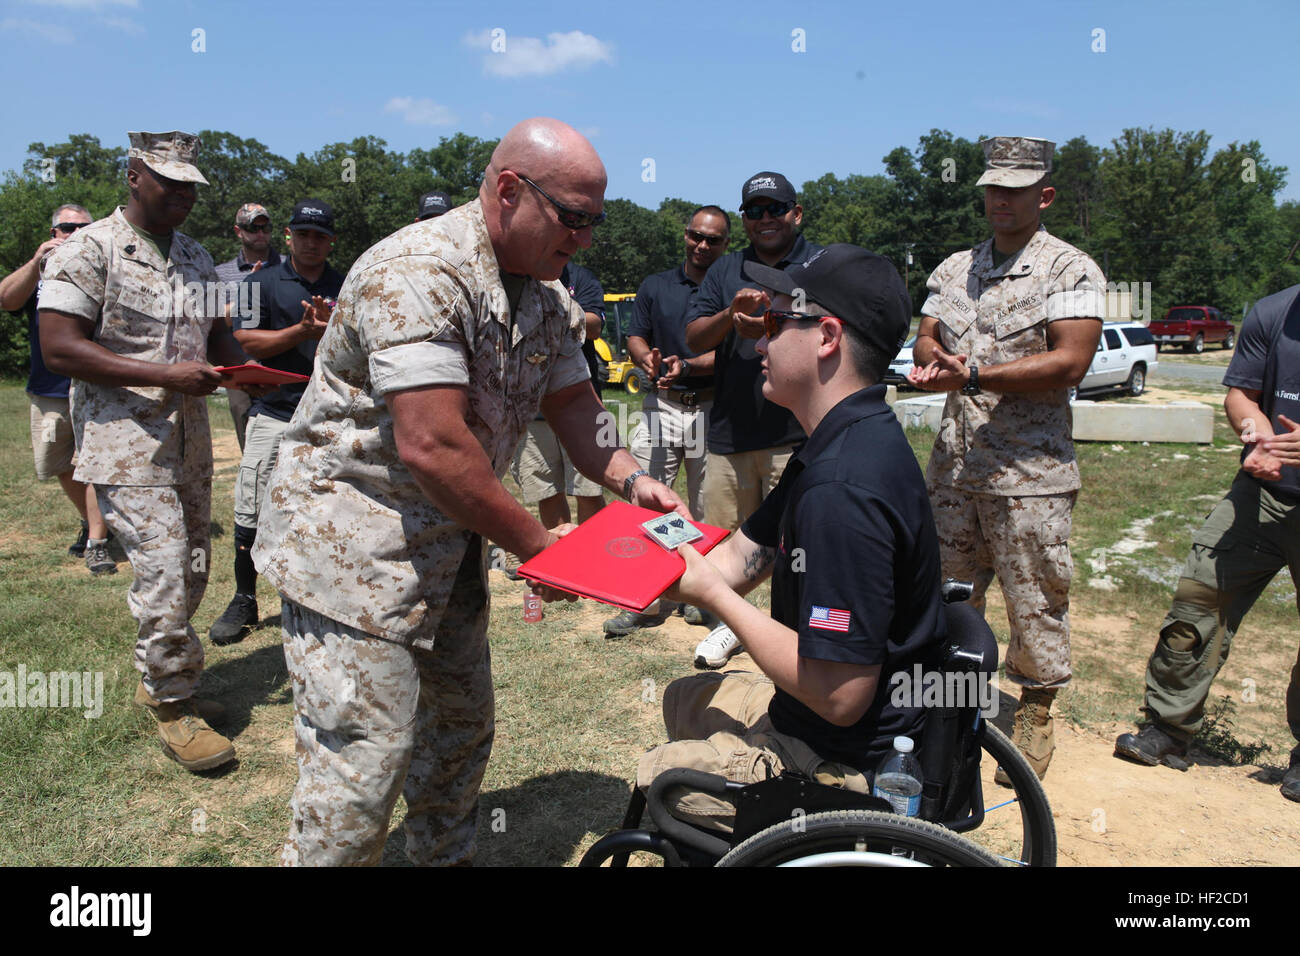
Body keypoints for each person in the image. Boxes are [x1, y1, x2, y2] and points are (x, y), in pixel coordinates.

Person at [252, 117, 688, 866]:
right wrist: (540, 547)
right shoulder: (418, 272)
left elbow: (576, 408)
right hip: (353, 555)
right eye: (573, 217)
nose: (585, 239)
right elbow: (433, 444)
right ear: (510, 190)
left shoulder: (547, 298)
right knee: (362, 770)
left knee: (458, 736)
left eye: (596, 220)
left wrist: (632, 477)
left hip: (447, 552)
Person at [638, 244, 945, 832]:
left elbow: (840, 696)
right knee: (683, 696)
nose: (757, 342)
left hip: (843, 762)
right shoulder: (842, 437)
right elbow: (735, 559)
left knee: (656, 777)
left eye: (775, 323)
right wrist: (602, 557)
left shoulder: (841, 491)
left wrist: (715, 598)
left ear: (827, 337)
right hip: (821, 717)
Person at [38, 131, 260, 772]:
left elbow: (218, 338)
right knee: (163, 573)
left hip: (188, 445)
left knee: (191, 572)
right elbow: (59, 346)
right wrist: (166, 375)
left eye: (192, 185)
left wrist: (255, 374)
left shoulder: (194, 256)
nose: (185, 195)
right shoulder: (88, 249)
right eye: (171, 182)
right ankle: (172, 703)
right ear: (135, 175)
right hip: (125, 445)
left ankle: (163, 674)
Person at [907, 136, 1104, 782]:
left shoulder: (1069, 269)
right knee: (948, 593)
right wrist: (933, 354)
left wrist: (972, 375)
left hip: (1030, 474)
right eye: (993, 187)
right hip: (954, 469)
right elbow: (927, 331)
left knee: (1036, 597)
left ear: (1044, 195)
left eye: (1015, 190)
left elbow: (1070, 362)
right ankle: (955, 706)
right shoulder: (954, 267)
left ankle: (1036, 711)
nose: (1000, 199)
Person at [1114, 283, 1300, 803]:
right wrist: (1255, 430)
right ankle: (1168, 728)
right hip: (1261, 493)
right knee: (1199, 599)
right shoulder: (1274, 311)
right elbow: (1241, 393)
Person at [683, 171, 821, 669]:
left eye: (775, 208)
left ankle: (799, 636)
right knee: (725, 541)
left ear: (796, 213)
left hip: (796, 432)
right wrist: (731, 318)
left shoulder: (819, 263)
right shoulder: (726, 268)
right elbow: (693, 337)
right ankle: (729, 629)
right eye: (754, 211)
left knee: (797, 544)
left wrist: (772, 322)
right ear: (744, 219)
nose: (765, 218)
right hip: (730, 432)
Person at [208, 199, 344, 645]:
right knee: (250, 507)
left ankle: (320, 598)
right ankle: (245, 599)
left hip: (332, 416)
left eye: (320, 236)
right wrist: (301, 331)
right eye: (303, 234)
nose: (311, 243)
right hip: (275, 412)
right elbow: (246, 341)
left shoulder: (349, 284)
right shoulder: (257, 283)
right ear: (288, 236)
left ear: (331, 242)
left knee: (329, 510)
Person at [602, 205, 728, 638]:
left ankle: (702, 598)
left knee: (708, 509)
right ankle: (645, 598)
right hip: (663, 406)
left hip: (712, 409)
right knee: (647, 502)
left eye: (713, 240)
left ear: (726, 244)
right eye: (696, 236)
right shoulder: (655, 285)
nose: (702, 245)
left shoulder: (730, 290)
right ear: (686, 235)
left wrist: (689, 366)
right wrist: (645, 357)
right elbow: (636, 335)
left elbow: (732, 353)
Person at [0, 203, 115, 575]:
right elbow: (6, 299)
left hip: (94, 386)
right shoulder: (42, 272)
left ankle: (97, 543)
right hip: (48, 387)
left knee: (93, 465)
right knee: (58, 463)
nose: (76, 233)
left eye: (84, 227)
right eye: (68, 227)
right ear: (53, 233)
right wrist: (36, 262)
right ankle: (93, 520)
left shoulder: (103, 267)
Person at [507, 261, 608, 540]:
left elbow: (595, 326)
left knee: (588, 489)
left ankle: (593, 555)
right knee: (546, 490)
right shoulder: (517, 272)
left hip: (580, 406)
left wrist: (553, 307)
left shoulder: (581, 277)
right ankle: (563, 558)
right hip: (531, 407)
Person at [215, 202, 281, 452]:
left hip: (283, 363)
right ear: (238, 231)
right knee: (248, 438)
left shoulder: (289, 266)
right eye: (253, 228)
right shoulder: (221, 274)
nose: (261, 234)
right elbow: (215, 321)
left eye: (266, 228)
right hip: (241, 364)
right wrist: (247, 297)